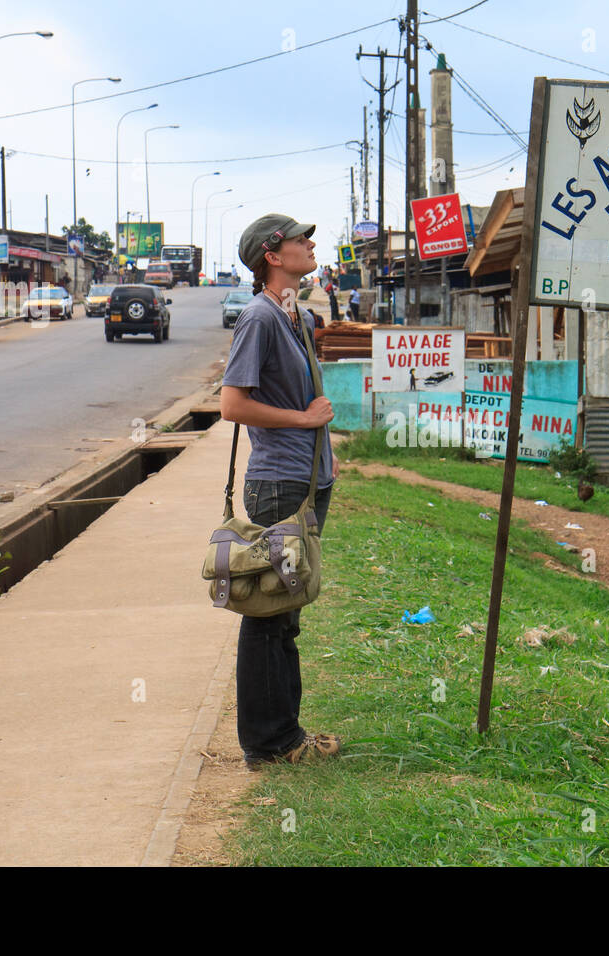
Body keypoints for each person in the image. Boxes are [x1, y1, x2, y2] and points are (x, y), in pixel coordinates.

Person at [219, 213, 341, 770]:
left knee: (286, 611)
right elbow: (233, 406)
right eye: (299, 239)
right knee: (268, 613)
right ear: (273, 254)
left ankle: (286, 735)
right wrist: (302, 418)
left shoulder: (296, 318)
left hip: (308, 483)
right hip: (278, 485)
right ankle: (268, 745)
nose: (311, 245)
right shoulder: (259, 319)